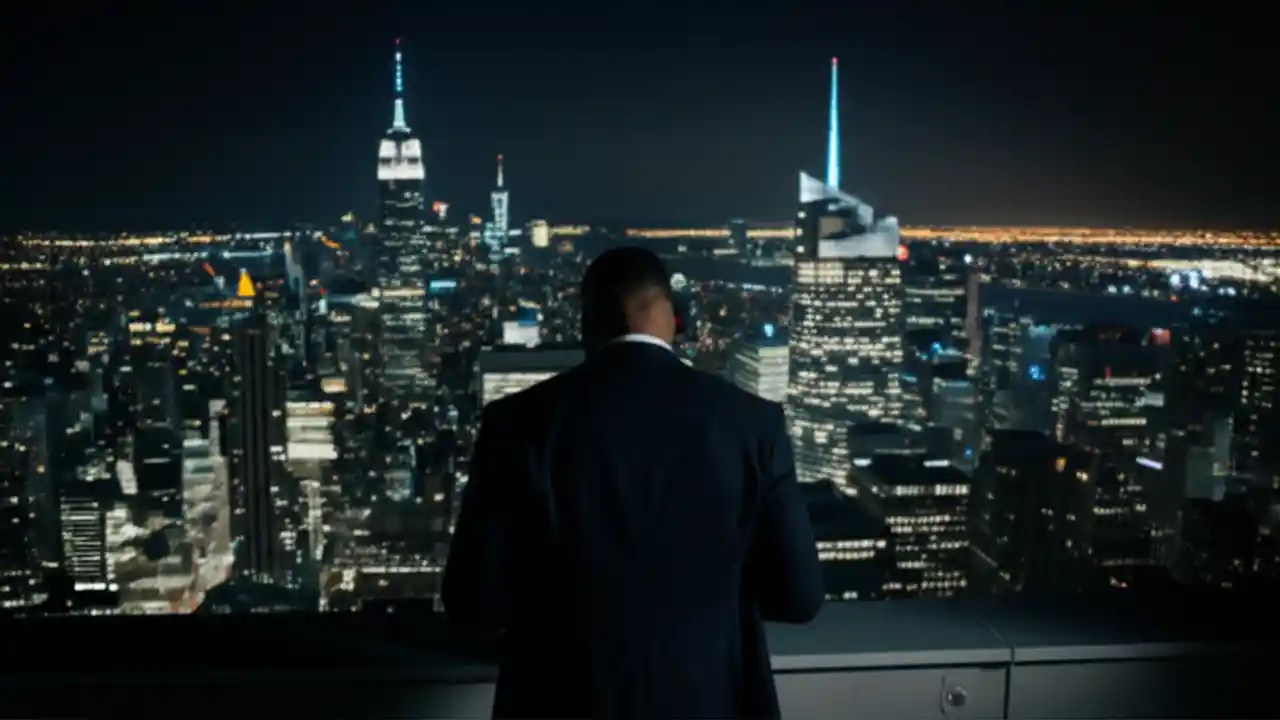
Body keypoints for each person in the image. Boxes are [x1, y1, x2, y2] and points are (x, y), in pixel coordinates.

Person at [443, 246, 823, 719]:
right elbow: (801, 597)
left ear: (587, 323)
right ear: (673, 316)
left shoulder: (518, 424)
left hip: (558, 701)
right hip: (708, 699)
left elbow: (472, 602)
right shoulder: (753, 425)